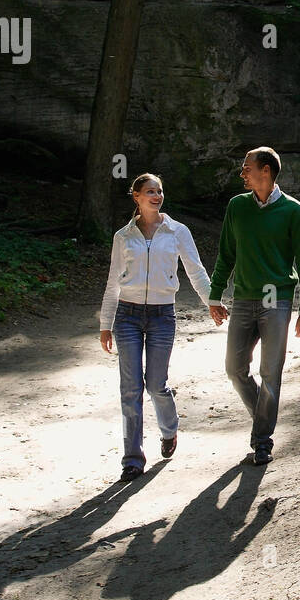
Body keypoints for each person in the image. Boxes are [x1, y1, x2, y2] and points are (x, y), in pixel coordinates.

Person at [99, 173, 213, 482]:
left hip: (163, 315)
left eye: (160, 191)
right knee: (131, 389)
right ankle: (132, 459)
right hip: (127, 317)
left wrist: (212, 301)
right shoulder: (123, 236)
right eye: (150, 191)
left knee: (155, 384)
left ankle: (169, 428)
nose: (157, 195)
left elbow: (196, 270)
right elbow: (112, 282)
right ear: (136, 196)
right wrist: (105, 324)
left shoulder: (177, 231)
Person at [208, 148, 300, 465]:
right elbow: (226, 254)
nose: (242, 173)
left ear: (265, 171)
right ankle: (263, 415)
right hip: (243, 298)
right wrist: (215, 295)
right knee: (234, 368)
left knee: (270, 373)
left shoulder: (293, 211)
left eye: (247, 168)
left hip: (276, 299)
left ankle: (262, 441)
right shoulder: (237, 207)